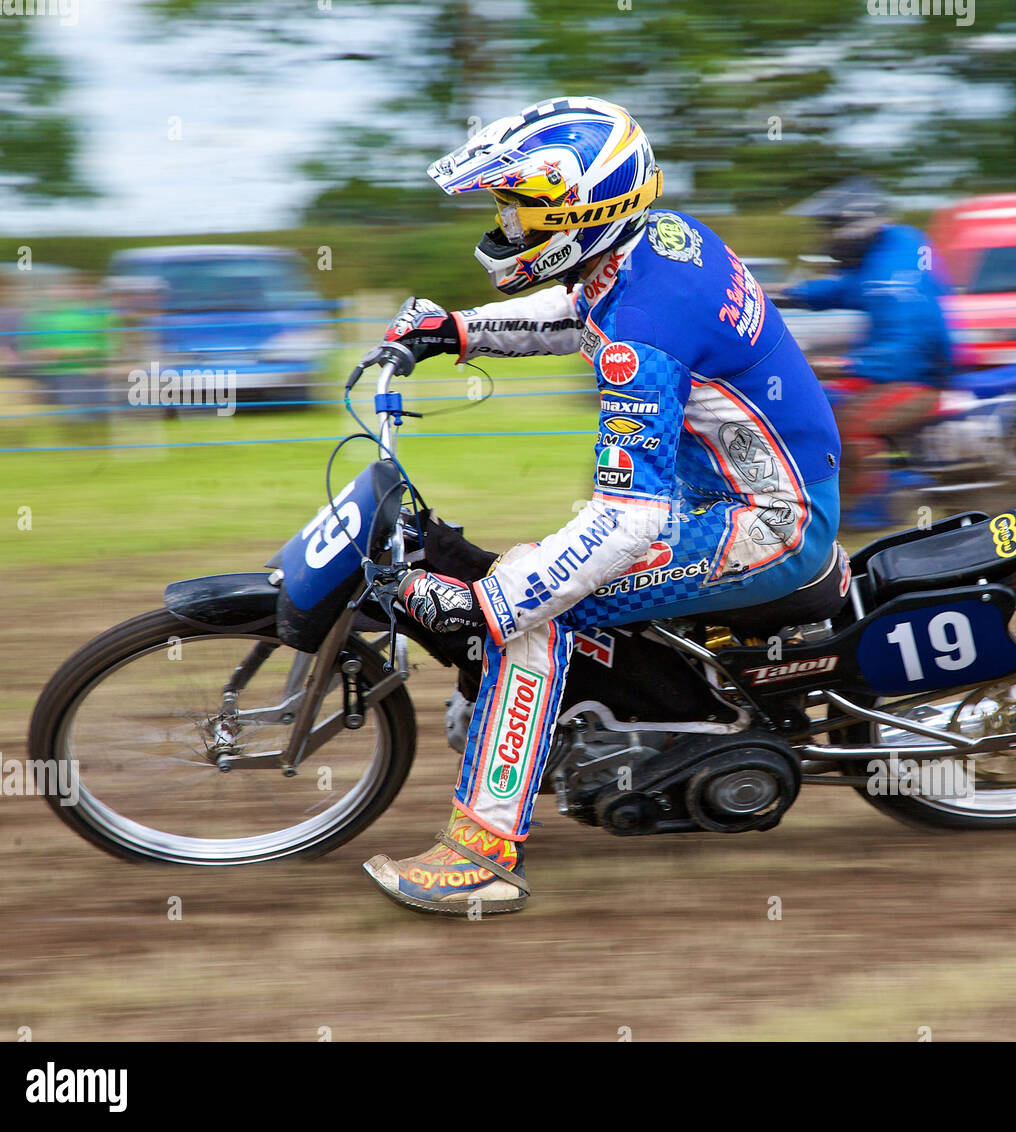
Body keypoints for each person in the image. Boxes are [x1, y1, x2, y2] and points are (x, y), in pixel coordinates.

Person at [361, 96, 843, 916]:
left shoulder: (639, 344)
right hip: (744, 492)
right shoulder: (656, 242)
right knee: (536, 588)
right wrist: (460, 331)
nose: (506, 226)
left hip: (767, 523)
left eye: (518, 208)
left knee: (533, 614)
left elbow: (630, 519)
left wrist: (492, 603)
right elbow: (580, 309)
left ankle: (481, 853)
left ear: (581, 211)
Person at [778, 179, 953, 528]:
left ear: (855, 226)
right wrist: (783, 295)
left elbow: (904, 350)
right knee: (818, 401)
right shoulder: (887, 252)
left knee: (846, 422)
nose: (827, 238)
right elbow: (845, 289)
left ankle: (869, 510)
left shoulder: (892, 277)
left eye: (831, 228)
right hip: (891, 374)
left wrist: (844, 364)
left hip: (917, 381)